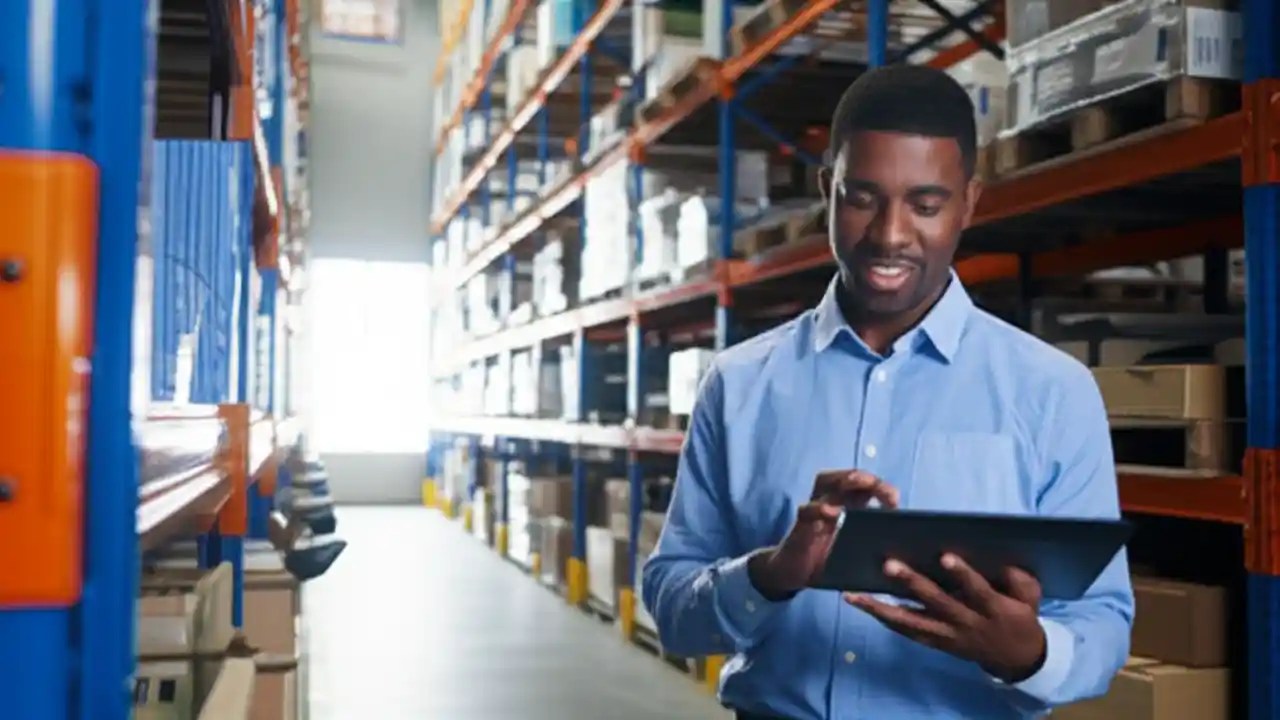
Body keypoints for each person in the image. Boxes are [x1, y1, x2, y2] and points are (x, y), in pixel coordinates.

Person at [640, 64, 1134, 720]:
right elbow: (672, 605)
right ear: (827, 189)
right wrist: (770, 575)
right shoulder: (738, 385)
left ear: (969, 203)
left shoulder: (1053, 393)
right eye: (863, 197)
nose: (890, 235)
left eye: (926, 204)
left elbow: (1103, 619)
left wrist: (1031, 653)